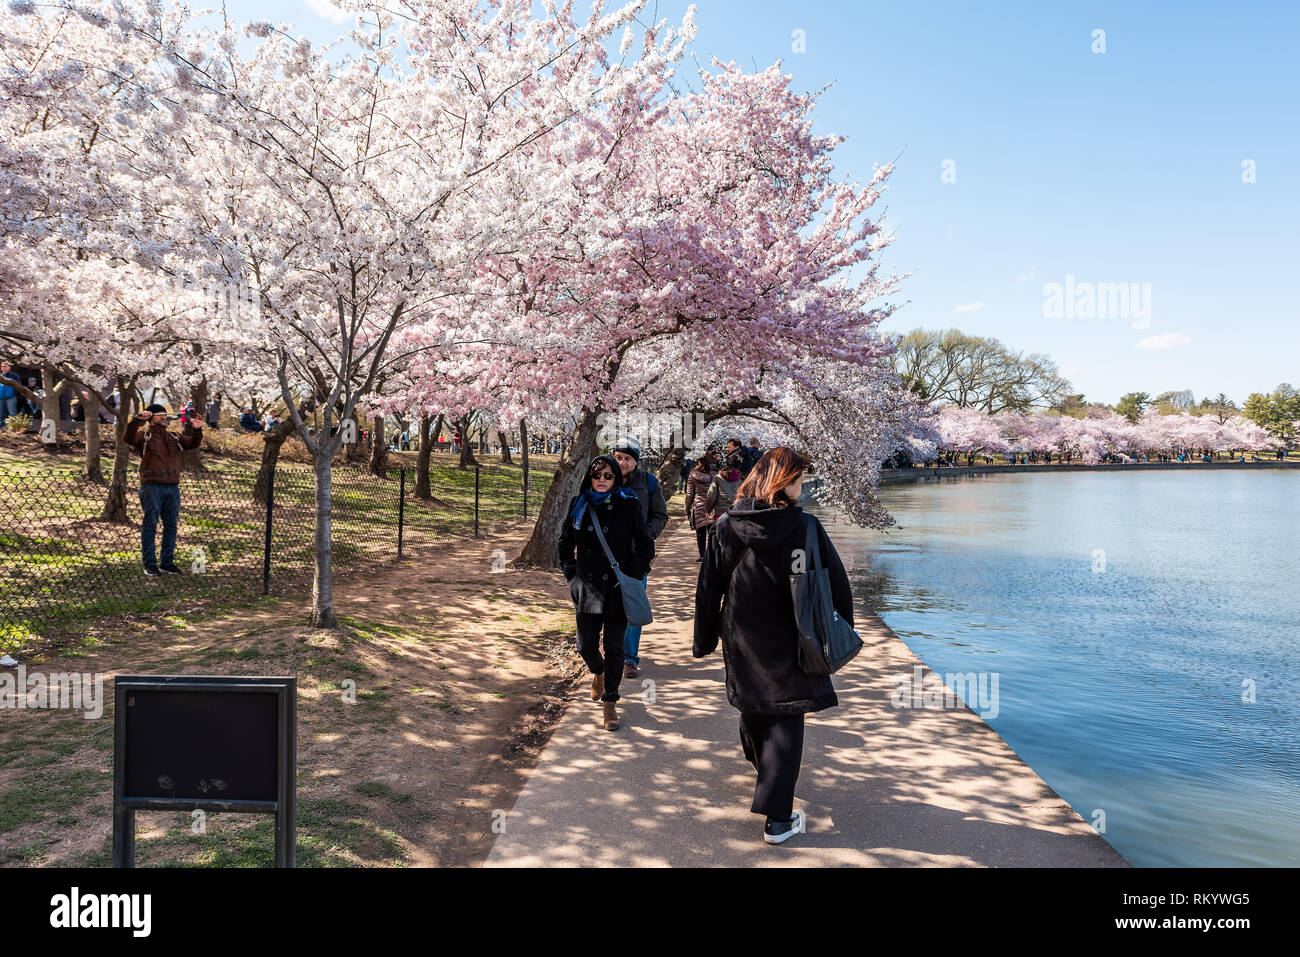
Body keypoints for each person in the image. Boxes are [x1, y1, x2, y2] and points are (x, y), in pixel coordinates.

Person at [694, 447, 853, 845]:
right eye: (799, 478)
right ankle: (778, 819)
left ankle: (767, 774)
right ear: (783, 482)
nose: (803, 486)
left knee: (753, 705)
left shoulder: (726, 525)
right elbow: (836, 583)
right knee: (787, 714)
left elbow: (709, 584)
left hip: (742, 630)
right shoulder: (806, 527)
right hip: (793, 633)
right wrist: (841, 628)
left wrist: (704, 637)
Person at [557, 454, 654, 731]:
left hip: (616, 589)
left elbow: (646, 546)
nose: (602, 480)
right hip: (586, 587)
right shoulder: (579, 505)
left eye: (608, 476)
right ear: (590, 477)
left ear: (615, 479)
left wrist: (633, 574)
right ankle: (597, 672)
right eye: (597, 475)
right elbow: (565, 543)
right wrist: (571, 575)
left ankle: (610, 701)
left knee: (614, 648)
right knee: (585, 645)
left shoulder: (628, 504)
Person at [610, 436, 668, 678]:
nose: (622, 463)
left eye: (627, 459)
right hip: (607, 554)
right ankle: (610, 653)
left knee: (633, 605)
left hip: (635, 557)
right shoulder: (603, 478)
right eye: (618, 458)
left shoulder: (649, 482)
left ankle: (629, 658)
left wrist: (648, 535)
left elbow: (660, 514)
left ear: (636, 461)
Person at [123, 404, 202, 576]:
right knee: (150, 525)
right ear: (150, 417)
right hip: (151, 486)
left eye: (164, 414)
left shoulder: (174, 436)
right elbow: (128, 438)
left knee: (171, 526)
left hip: (172, 486)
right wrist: (136, 421)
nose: (163, 416)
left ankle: (167, 563)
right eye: (159, 414)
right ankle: (149, 564)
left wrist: (197, 430)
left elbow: (192, 444)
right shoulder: (145, 436)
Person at [684, 451, 720, 561]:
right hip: (712, 505)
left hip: (699, 504)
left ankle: (702, 555)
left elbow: (689, 494)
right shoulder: (715, 475)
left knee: (700, 532)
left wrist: (687, 508)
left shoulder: (693, 475)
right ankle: (712, 555)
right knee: (712, 532)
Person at [705, 450, 745, 543]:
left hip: (720, 513)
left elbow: (711, 495)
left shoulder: (718, 478)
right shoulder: (741, 480)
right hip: (735, 513)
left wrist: (708, 510)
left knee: (718, 540)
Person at [0, 362, 17, 426]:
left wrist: (14, 393)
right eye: (2, 366)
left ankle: (14, 429)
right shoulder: (0, 376)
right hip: (1, 398)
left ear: (9, 367)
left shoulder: (14, 375)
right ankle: (1, 429)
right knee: (1, 415)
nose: (3, 368)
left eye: (5, 366)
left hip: (11, 398)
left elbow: (19, 386)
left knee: (12, 414)